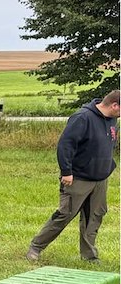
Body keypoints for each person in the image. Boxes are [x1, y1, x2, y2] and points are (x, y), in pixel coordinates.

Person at [27, 90, 120, 263]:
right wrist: (67, 172)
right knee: (64, 214)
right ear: (114, 105)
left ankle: (89, 256)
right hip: (77, 178)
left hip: (100, 179)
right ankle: (35, 247)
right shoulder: (82, 118)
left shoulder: (113, 120)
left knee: (94, 216)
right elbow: (65, 145)